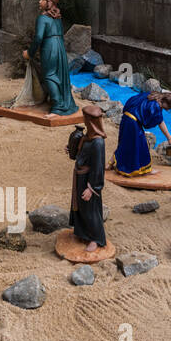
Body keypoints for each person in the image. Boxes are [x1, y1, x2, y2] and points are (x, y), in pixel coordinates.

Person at [21, 0, 76, 115]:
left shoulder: (42, 18)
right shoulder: (58, 19)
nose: (39, 2)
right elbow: (61, 35)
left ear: (49, 2)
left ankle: (57, 107)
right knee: (58, 74)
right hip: (60, 47)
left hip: (49, 47)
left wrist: (30, 53)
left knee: (49, 75)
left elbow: (39, 37)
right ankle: (59, 100)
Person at [113, 90, 171, 176]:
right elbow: (160, 122)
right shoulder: (156, 107)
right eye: (169, 107)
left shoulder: (151, 95)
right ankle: (145, 170)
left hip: (126, 118)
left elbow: (132, 100)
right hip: (133, 123)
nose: (168, 109)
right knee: (142, 146)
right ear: (166, 102)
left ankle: (110, 163)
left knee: (124, 142)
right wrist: (169, 137)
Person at [69, 105, 107, 252]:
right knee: (80, 206)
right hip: (79, 176)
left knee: (90, 209)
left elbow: (98, 167)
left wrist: (92, 188)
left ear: (91, 121)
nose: (83, 120)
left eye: (85, 118)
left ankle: (96, 239)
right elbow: (81, 154)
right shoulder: (87, 137)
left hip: (89, 180)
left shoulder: (98, 142)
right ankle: (82, 233)